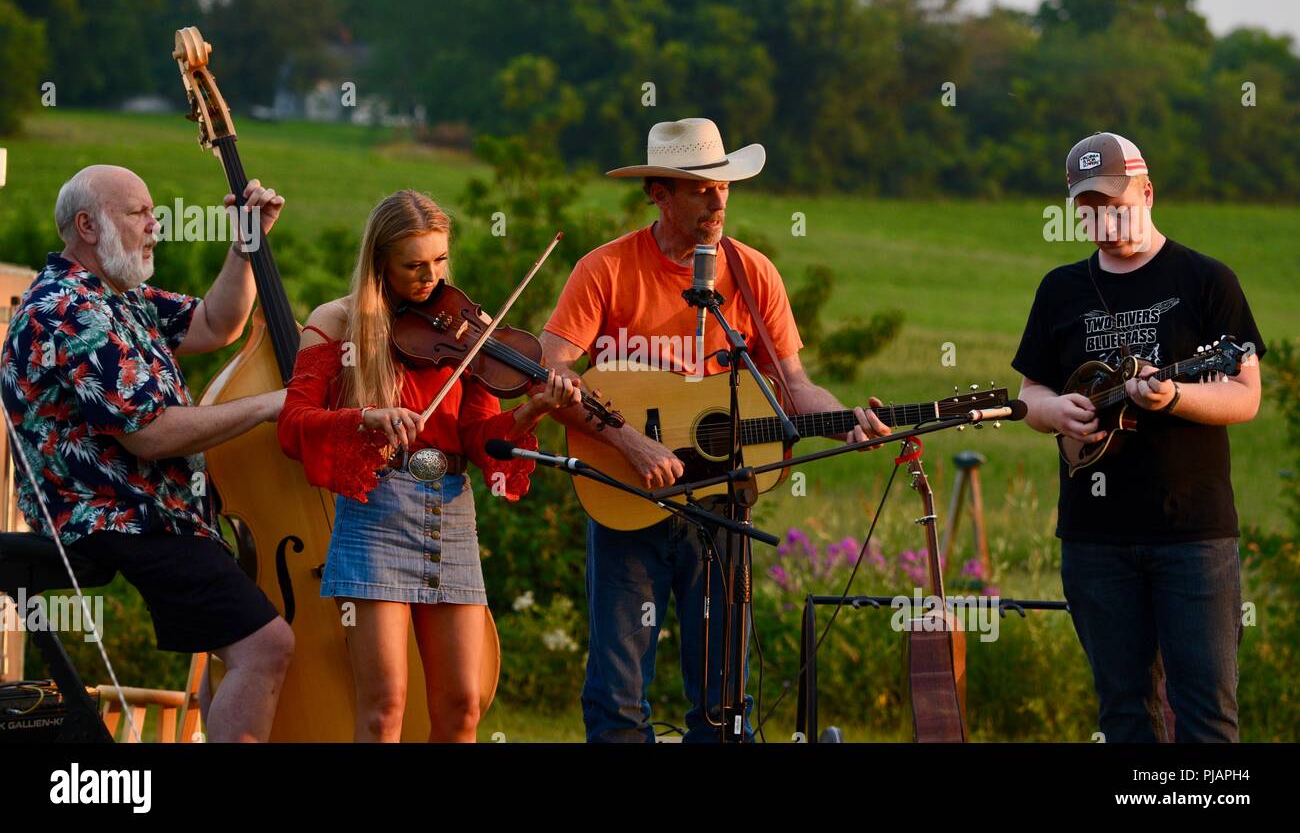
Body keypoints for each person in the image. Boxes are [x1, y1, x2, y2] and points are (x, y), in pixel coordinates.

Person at [539, 118, 893, 742]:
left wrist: (845, 423)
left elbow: (793, 386)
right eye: (700, 188)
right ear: (659, 194)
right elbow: (550, 374)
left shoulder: (752, 273)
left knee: (724, 703)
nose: (717, 199)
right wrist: (629, 440)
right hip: (627, 495)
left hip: (723, 501)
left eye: (723, 185)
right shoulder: (605, 269)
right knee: (617, 698)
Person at [0, 164, 293, 742]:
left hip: (152, 511)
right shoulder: (67, 308)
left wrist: (246, 246)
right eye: (138, 213)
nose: (155, 225)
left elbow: (216, 324)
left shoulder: (117, 295)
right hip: (119, 515)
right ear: (87, 226)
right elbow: (150, 434)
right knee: (265, 645)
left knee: (237, 650)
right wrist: (266, 405)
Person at [277, 189, 579, 742]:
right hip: (377, 513)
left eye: (440, 260)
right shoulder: (338, 322)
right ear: (380, 263)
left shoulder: (463, 327)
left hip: (452, 509)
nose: (431, 277)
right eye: (413, 265)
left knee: (463, 705)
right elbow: (294, 421)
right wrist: (365, 417)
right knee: (384, 707)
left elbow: (479, 438)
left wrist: (531, 411)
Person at [1013, 132, 1265, 742]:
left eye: (1116, 206)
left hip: (1192, 535)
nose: (1104, 223)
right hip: (1094, 537)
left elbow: (1245, 394)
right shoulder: (1059, 289)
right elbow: (1029, 397)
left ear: (1147, 192)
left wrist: (1173, 395)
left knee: (1206, 715)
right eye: (1089, 211)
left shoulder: (1207, 280)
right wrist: (1057, 412)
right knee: (1124, 715)